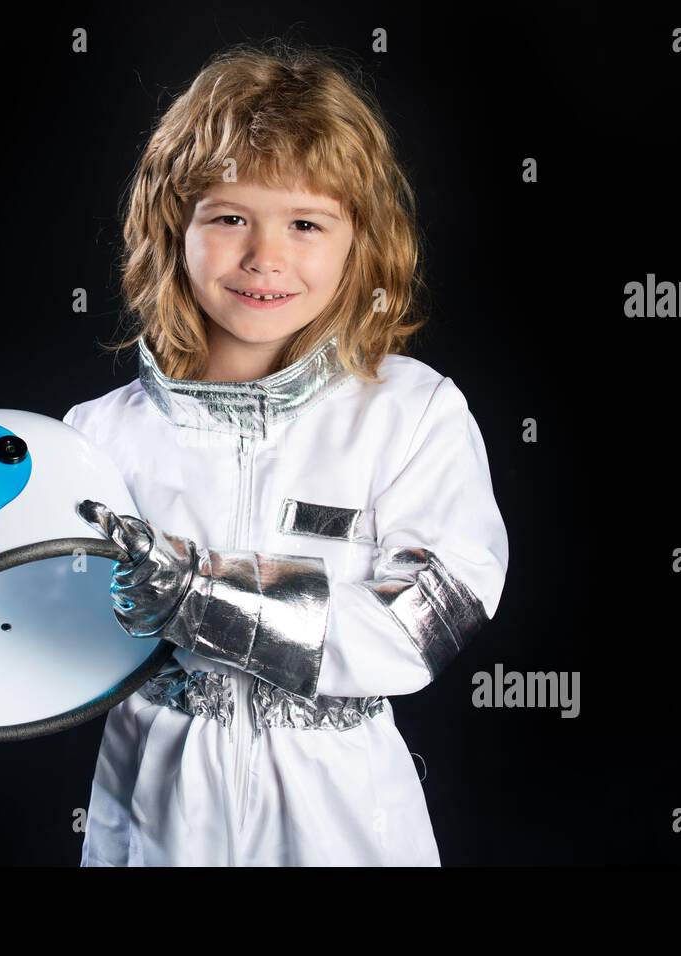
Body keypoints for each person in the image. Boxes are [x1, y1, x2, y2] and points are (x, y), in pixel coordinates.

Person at [63, 41, 509, 866]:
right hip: (156, 818)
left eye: (305, 223)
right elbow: (51, 630)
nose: (265, 256)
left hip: (340, 825)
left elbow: (422, 623)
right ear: (174, 227)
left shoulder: (411, 414)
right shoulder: (94, 435)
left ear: (359, 242)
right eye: (229, 216)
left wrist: (199, 592)